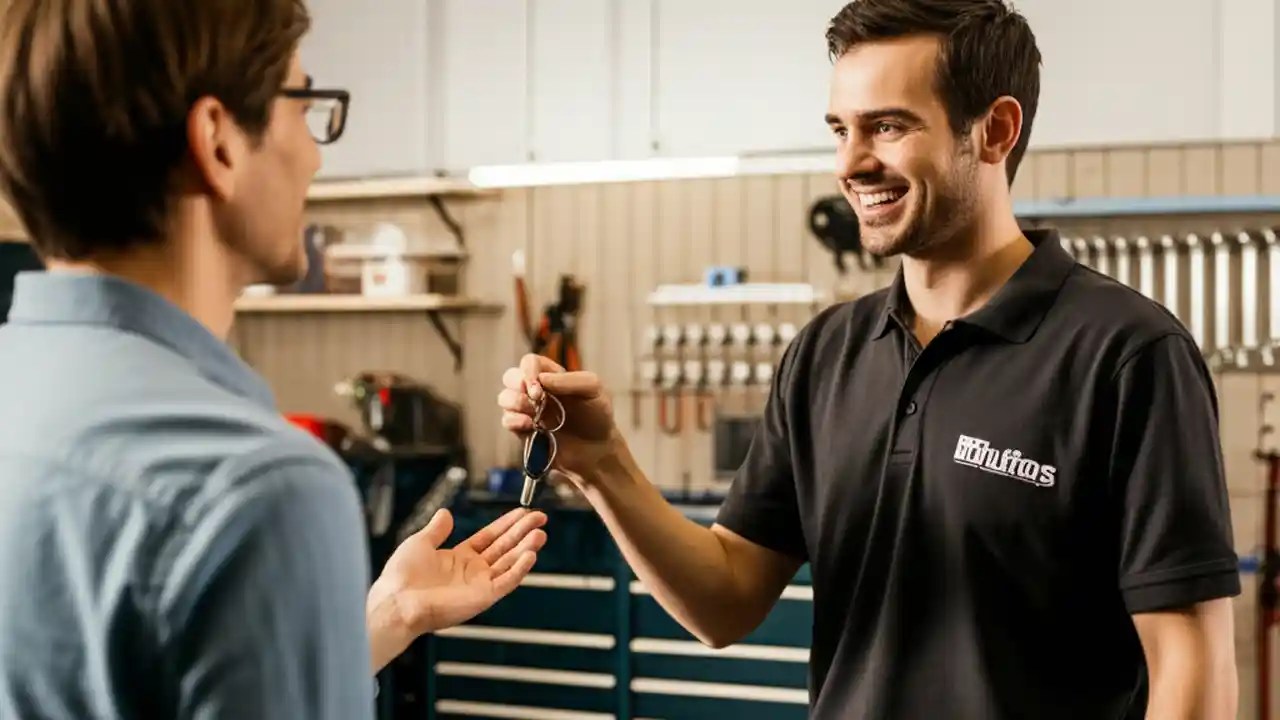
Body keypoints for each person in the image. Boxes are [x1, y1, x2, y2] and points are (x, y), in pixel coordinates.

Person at [500, 0, 1240, 717]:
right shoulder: (825, 356)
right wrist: (600, 463)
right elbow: (724, 602)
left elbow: (1193, 673)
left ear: (995, 130)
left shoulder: (1126, 357)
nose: (851, 163)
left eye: (887, 127)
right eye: (839, 130)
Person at [0, 1, 547, 718]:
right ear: (218, 142)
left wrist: (384, 618)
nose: (318, 153)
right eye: (303, 104)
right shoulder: (259, 486)